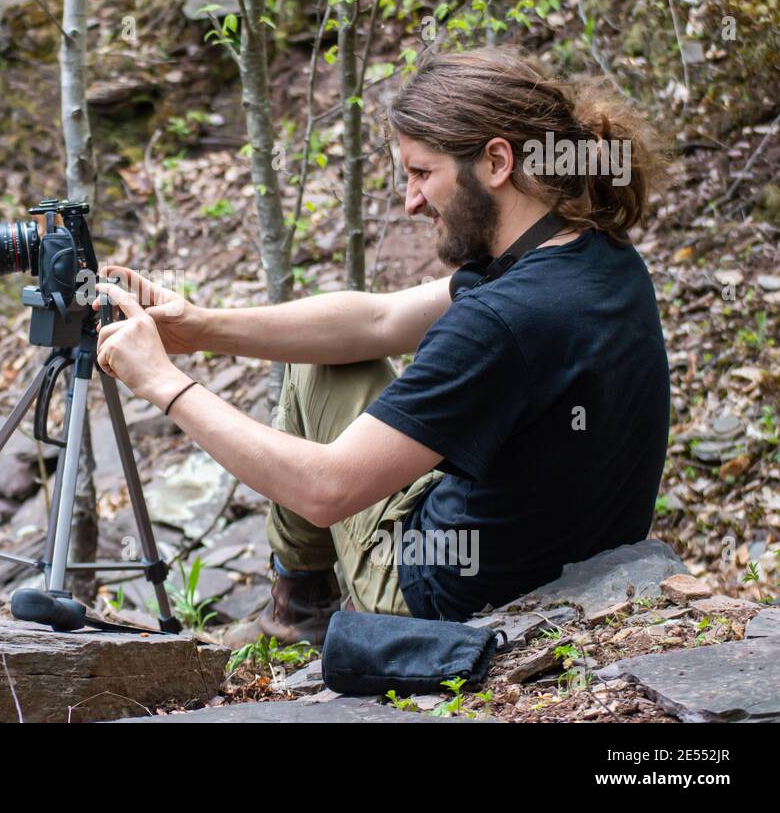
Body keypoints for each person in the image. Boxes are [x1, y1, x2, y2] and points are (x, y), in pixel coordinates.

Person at [91, 46, 671, 646]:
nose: (411, 201)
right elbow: (377, 319)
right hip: (556, 562)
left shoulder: (501, 321)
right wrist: (199, 327)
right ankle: (302, 608)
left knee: (321, 376)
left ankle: (297, 613)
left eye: (423, 173)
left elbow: (326, 489)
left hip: (449, 599)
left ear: (497, 161)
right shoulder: (593, 255)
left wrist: (160, 381)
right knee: (334, 352)